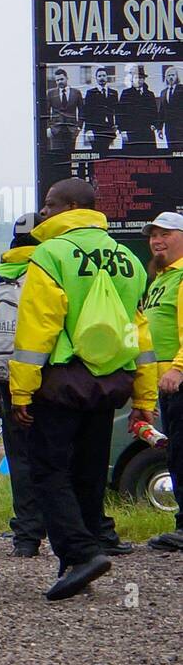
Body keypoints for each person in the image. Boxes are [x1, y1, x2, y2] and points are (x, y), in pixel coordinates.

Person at [11, 179, 156, 599]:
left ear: (71, 206)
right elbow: (140, 334)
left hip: (61, 383)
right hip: (110, 384)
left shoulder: (51, 254)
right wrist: (144, 399)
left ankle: (81, 553)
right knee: (89, 472)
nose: (44, 213)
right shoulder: (128, 258)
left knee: (48, 471)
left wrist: (21, 392)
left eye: (49, 205)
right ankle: (78, 564)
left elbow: (37, 330)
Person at [0, 216, 46, 557]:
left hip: (0, 377)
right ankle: (72, 530)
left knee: (18, 456)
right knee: (56, 455)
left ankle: (26, 535)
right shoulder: (45, 274)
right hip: (43, 376)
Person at [140, 213, 183, 551]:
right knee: (175, 453)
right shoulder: (160, 279)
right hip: (165, 384)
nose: (157, 240)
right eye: (153, 234)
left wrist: (179, 368)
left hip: (178, 381)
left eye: (166, 234)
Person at [117, 66, 158, 150]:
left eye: (141, 78)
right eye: (136, 77)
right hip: (131, 132)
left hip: (147, 133)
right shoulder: (126, 94)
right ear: (132, 79)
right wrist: (122, 130)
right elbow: (120, 113)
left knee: (148, 157)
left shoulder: (150, 94)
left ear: (144, 79)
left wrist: (154, 124)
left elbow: (154, 112)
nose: (139, 80)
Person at [45, 68, 82, 152]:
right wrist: (48, 128)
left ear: (67, 78)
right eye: (57, 80)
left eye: (61, 79)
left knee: (70, 157)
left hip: (71, 130)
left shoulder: (76, 93)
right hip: (56, 130)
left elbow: (81, 111)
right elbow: (46, 111)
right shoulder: (51, 93)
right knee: (56, 157)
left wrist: (79, 127)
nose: (59, 82)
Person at [83, 66, 119, 151]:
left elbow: (117, 111)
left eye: (103, 75)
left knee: (107, 153)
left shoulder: (113, 93)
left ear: (107, 77)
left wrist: (116, 125)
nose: (101, 78)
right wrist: (88, 130)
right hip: (96, 130)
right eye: (99, 76)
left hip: (108, 129)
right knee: (96, 153)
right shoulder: (91, 93)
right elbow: (87, 112)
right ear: (96, 78)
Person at [159, 66, 183, 149]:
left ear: (177, 76)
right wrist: (159, 128)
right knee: (171, 152)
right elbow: (162, 111)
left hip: (180, 128)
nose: (171, 77)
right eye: (169, 76)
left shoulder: (181, 89)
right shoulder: (163, 93)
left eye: (173, 75)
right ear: (166, 78)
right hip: (169, 129)